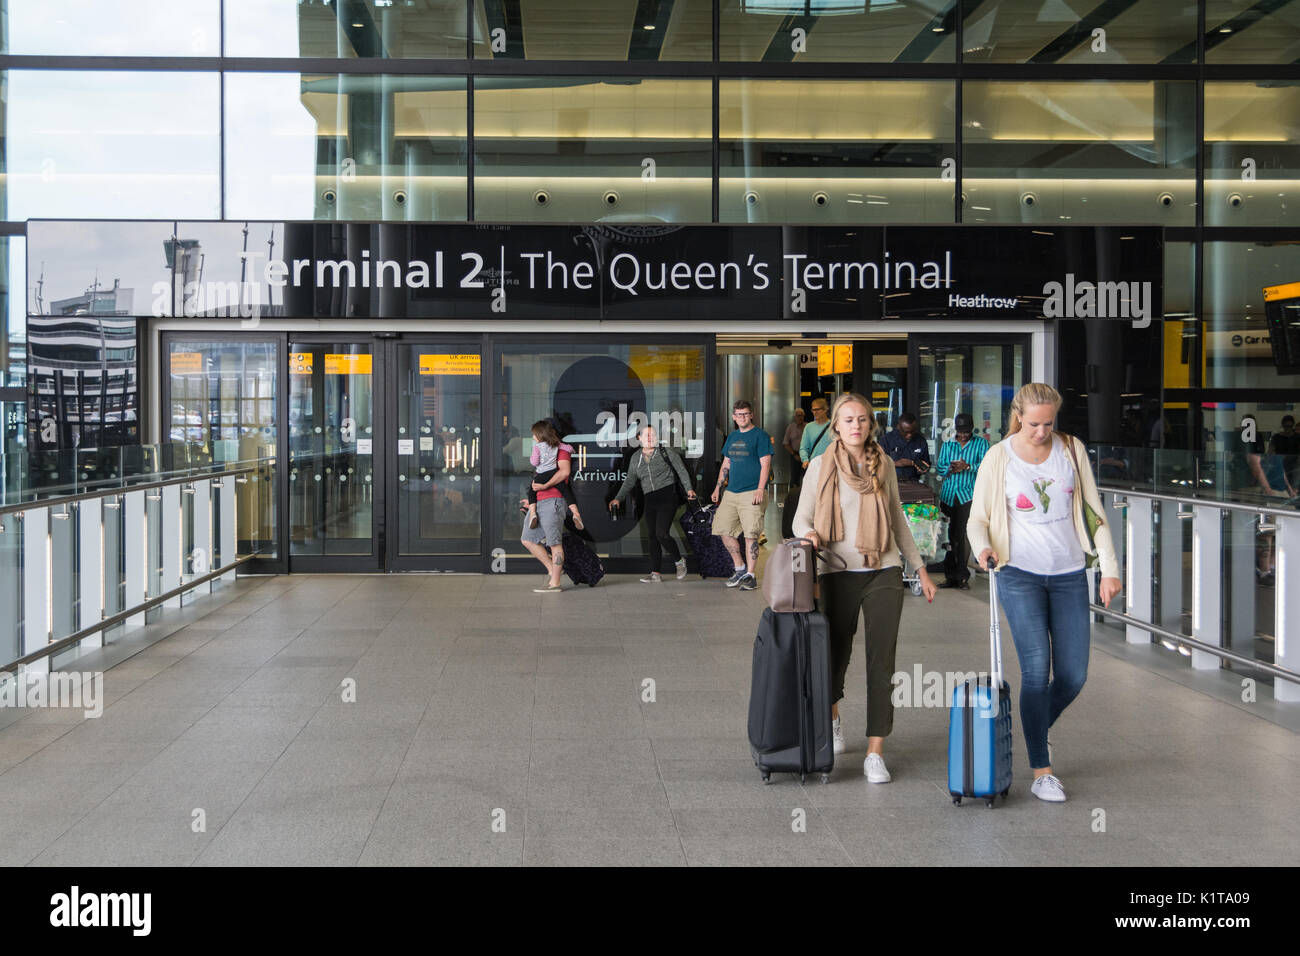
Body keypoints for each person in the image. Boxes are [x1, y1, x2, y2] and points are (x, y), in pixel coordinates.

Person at [967, 382, 1122, 803]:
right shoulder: (998, 458)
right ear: (1019, 416)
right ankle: (1041, 770)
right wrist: (982, 547)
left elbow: (1094, 512)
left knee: (1073, 675)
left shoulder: (1070, 449)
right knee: (1037, 670)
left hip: (1070, 572)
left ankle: (1032, 728)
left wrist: (1109, 569)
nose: (1041, 431)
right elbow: (977, 518)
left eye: (1048, 423)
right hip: (1019, 573)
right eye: (1034, 423)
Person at [793, 392, 937, 782]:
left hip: (883, 570)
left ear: (871, 425)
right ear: (836, 426)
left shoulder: (884, 465)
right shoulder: (821, 466)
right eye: (848, 419)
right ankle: (834, 718)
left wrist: (920, 568)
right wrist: (809, 534)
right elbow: (800, 518)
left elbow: (896, 519)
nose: (856, 425)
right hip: (836, 572)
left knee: (882, 660)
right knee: (833, 658)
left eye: (862, 419)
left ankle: (875, 751)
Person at [609, 424, 697, 583]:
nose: (650, 438)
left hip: (667, 497)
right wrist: (618, 498)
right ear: (639, 438)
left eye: (653, 435)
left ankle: (679, 561)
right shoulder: (636, 458)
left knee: (662, 533)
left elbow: (681, 471)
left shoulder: (666, 452)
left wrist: (689, 489)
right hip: (649, 499)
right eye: (647, 435)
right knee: (652, 537)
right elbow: (629, 480)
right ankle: (655, 573)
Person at [710, 400, 773, 591]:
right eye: (738, 414)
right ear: (733, 417)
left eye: (745, 414)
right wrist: (717, 488)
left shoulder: (760, 436)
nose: (742, 417)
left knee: (751, 535)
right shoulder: (732, 437)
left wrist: (760, 489)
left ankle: (751, 576)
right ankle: (740, 568)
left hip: (752, 492)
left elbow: (766, 465)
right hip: (731, 492)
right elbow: (726, 463)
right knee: (723, 529)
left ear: (751, 415)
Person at [935, 413, 988, 590]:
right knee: (949, 537)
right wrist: (949, 468)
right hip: (949, 495)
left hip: (969, 495)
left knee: (964, 535)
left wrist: (968, 466)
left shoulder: (981, 443)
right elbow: (940, 467)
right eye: (960, 431)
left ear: (971, 428)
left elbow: (987, 467)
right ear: (955, 429)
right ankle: (950, 577)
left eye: (966, 431)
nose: (963, 435)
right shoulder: (948, 444)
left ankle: (962, 576)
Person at [520, 428, 572, 593]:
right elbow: (539, 476)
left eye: (534, 434)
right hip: (539, 501)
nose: (533, 437)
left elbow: (564, 472)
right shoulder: (541, 450)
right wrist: (532, 500)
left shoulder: (562, 450)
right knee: (527, 538)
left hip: (554, 500)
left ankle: (555, 583)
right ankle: (552, 569)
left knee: (554, 543)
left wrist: (544, 486)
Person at [524, 420, 584, 531]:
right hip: (553, 473)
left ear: (539, 435)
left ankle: (532, 514)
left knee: (531, 492)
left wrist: (533, 457)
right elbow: (569, 448)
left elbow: (534, 462)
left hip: (541, 474)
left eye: (534, 434)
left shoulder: (537, 447)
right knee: (566, 491)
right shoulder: (556, 444)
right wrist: (572, 450)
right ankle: (576, 513)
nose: (533, 437)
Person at [881, 412, 932, 483]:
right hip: (891, 484)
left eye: (912, 431)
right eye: (906, 432)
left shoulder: (921, 441)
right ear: (899, 427)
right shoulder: (887, 439)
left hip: (913, 484)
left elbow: (927, 464)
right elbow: (878, 464)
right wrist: (896, 463)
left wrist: (924, 469)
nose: (909, 435)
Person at [1268, 414, 1300, 494]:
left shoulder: (1297, 437)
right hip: (1281, 465)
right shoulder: (1276, 437)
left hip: (1294, 466)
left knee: (1294, 486)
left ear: (1292, 426)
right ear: (1283, 426)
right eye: (1286, 426)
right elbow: (1270, 452)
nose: (1288, 429)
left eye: (1290, 426)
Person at [799, 397, 833, 470]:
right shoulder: (809, 427)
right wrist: (805, 460)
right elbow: (803, 448)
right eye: (813, 410)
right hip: (814, 466)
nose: (814, 412)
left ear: (825, 410)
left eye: (817, 409)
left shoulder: (834, 426)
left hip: (831, 465)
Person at [782, 408, 807, 486]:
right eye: (798, 416)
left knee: (807, 476)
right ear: (794, 417)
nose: (800, 418)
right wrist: (794, 455)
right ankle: (794, 496)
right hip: (795, 454)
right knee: (794, 478)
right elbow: (785, 443)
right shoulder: (790, 427)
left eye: (802, 416)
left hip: (806, 455)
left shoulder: (808, 426)